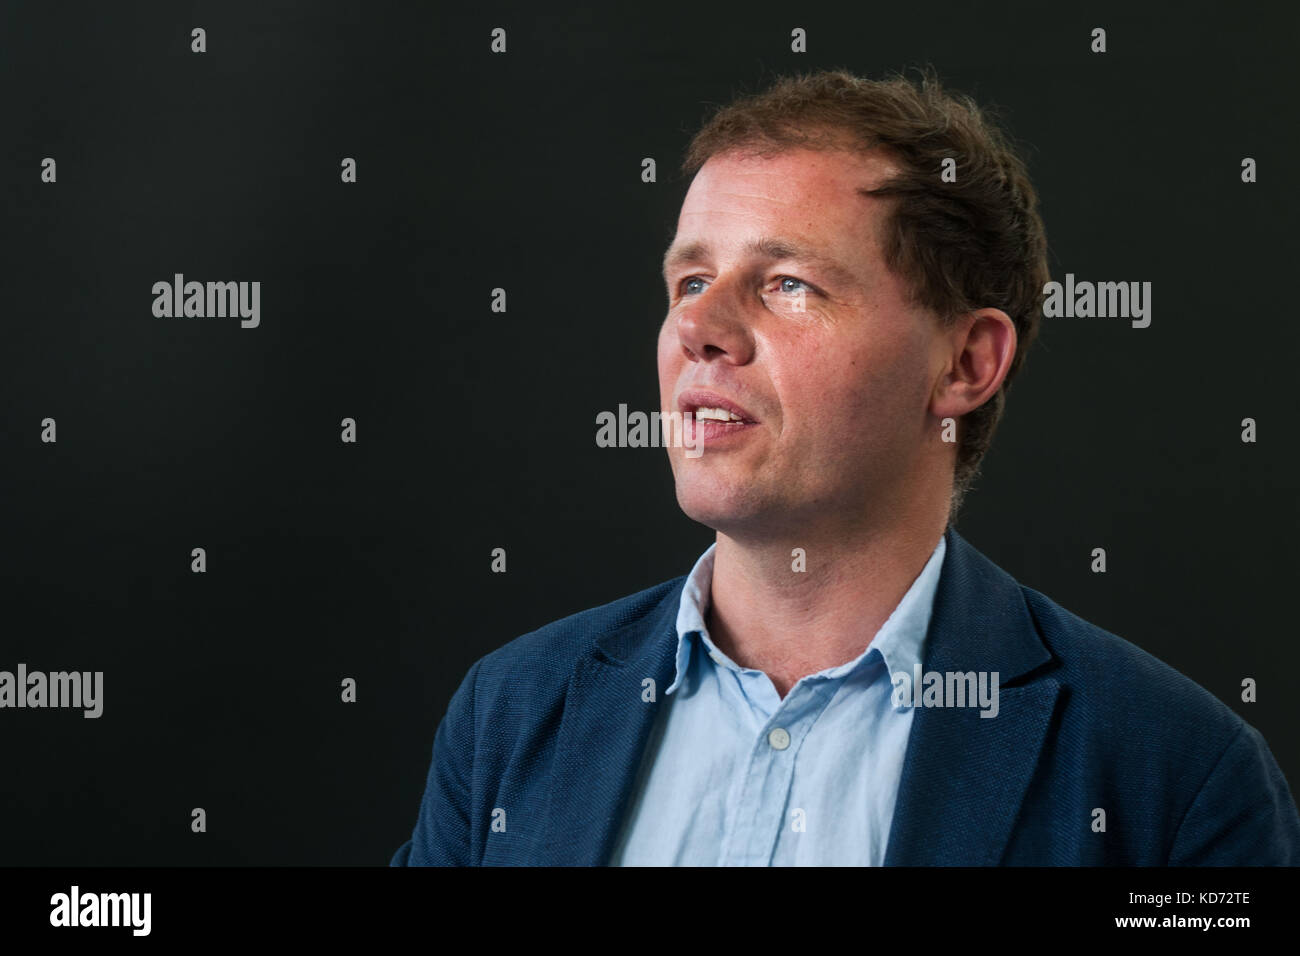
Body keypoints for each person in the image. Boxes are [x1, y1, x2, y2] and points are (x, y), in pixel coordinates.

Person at [392, 67, 1300, 865]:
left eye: (789, 283)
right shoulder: (510, 714)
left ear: (965, 364)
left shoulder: (1176, 780)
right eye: (690, 281)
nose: (699, 329)